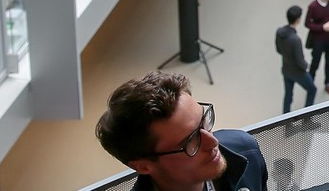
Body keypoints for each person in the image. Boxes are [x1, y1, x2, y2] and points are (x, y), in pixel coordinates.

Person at [95, 72, 267, 190]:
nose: (213, 142)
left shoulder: (246, 151)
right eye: (190, 141)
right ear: (143, 166)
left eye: (203, 121)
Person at [277, 6, 316, 113]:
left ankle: (285, 119)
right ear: (298, 19)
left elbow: (278, 50)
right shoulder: (295, 40)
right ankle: (307, 117)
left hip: (286, 68)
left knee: (288, 95)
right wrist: (305, 65)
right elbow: (300, 61)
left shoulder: (279, 32)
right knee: (312, 90)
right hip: (298, 72)